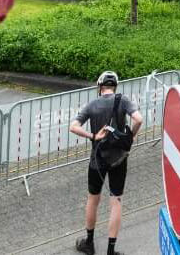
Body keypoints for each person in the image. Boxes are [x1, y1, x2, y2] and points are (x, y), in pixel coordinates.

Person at [69, 70, 142, 255]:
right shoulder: (123, 100)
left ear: (100, 86)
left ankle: (89, 243)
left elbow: (73, 127)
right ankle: (111, 250)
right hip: (119, 159)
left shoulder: (92, 105)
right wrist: (130, 136)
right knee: (116, 201)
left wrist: (93, 136)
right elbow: (139, 119)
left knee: (93, 199)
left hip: (97, 160)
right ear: (115, 86)